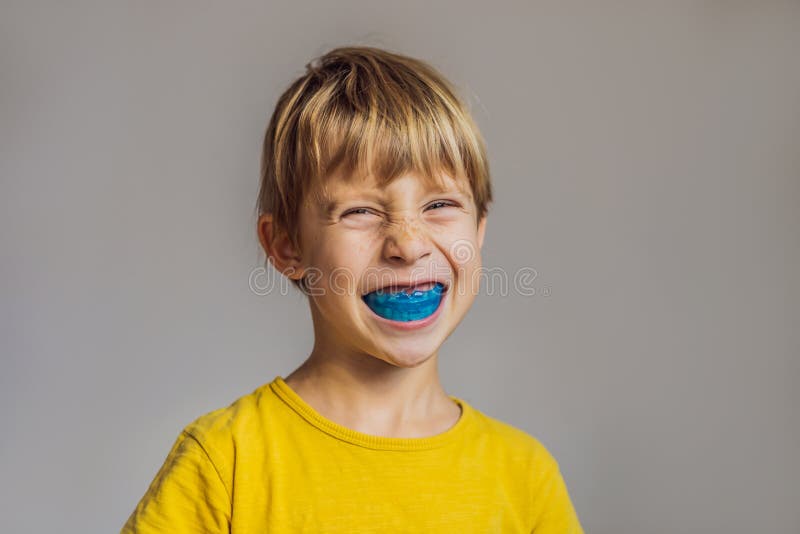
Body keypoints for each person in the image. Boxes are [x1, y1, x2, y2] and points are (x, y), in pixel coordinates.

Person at [121, 45, 585, 533]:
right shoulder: (224, 463)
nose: (407, 245)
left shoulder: (526, 477)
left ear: (480, 229)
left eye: (440, 204)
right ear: (285, 246)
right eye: (359, 211)